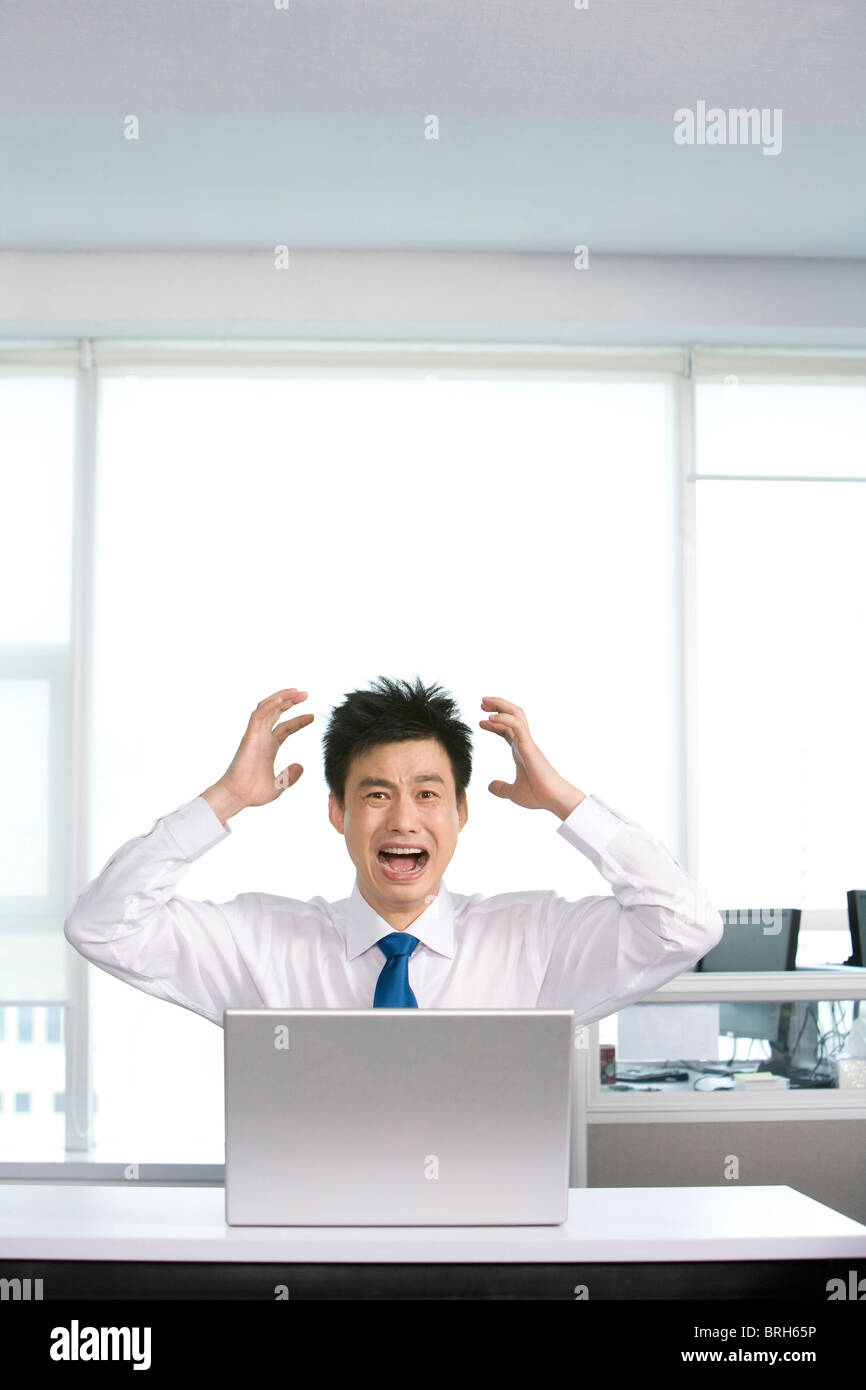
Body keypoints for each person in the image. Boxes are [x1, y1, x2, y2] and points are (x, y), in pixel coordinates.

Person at [64, 675, 723, 1027]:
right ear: (337, 812)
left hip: (488, 1248)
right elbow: (102, 927)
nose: (404, 819)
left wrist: (566, 801)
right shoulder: (259, 942)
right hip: (308, 1247)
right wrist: (227, 798)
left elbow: (686, 927)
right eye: (376, 795)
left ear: (462, 813)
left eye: (429, 794)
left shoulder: (534, 940)